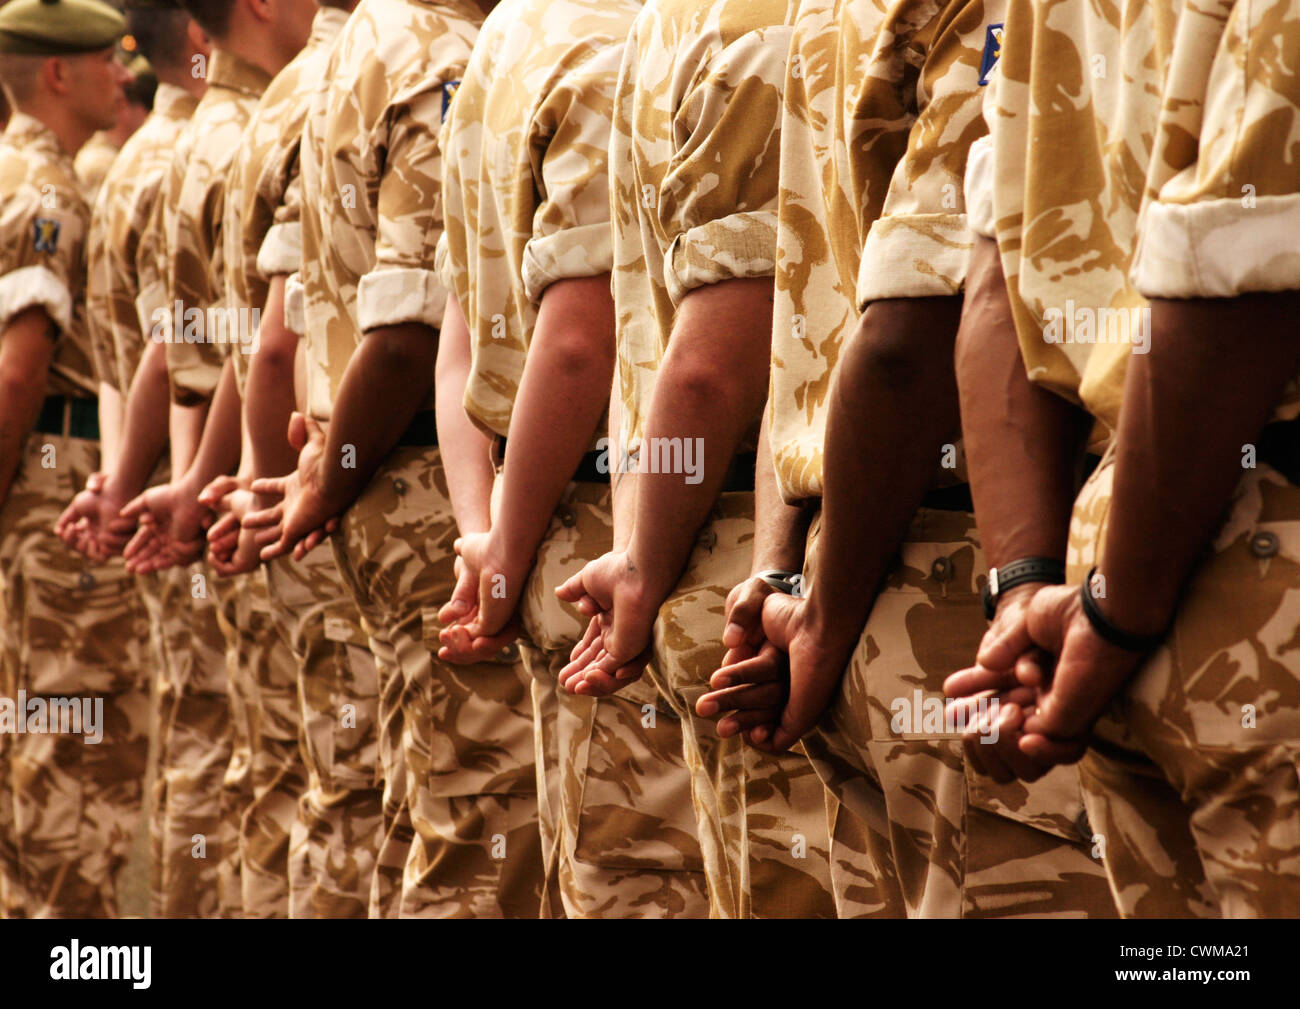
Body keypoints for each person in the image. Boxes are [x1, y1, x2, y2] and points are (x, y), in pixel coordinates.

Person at [695, 0, 1116, 917]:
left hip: (851, 575)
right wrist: (819, 614)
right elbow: (910, 331)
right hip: (982, 593)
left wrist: (788, 579)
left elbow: (802, 337)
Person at [948, 0, 1300, 918]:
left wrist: (1025, 588)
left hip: (1116, 567)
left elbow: (998, 266)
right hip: (1244, 588)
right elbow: (1249, 256)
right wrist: (1113, 615)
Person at [247, 0, 551, 918]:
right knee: (478, 841)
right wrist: (325, 478)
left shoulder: (345, 55)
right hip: (420, 479)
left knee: (408, 809)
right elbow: (408, 332)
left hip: (382, 475)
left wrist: (317, 470)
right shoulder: (436, 60)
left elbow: (294, 323)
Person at [555, 0, 836, 918]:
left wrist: (640, 547)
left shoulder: (663, 21)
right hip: (756, 557)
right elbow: (716, 361)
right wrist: (643, 559)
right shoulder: (766, 19)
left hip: (693, 536)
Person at [434, 0, 711, 917]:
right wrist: (503, 560)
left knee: (583, 871)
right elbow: (578, 341)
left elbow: (463, 332)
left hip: (547, 511)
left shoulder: (503, 39)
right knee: (639, 882)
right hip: (612, 521)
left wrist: (487, 532)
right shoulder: (607, 42)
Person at [56, 0, 218, 919]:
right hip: (211, 484)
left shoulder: (135, 166)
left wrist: (126, 474)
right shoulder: (195, 154)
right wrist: (161, 479)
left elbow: (137, 349)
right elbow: (191, 347)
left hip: (171, 482)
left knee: (206, 742)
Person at [0, 0, 148, 918]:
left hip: (37, 486)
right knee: (76, 736)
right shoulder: (48, 190)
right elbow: (20, 366)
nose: (123, 75)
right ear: (58, 74)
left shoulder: (13, 169)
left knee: (36, 726)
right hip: (53, 488)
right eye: (106, 59)